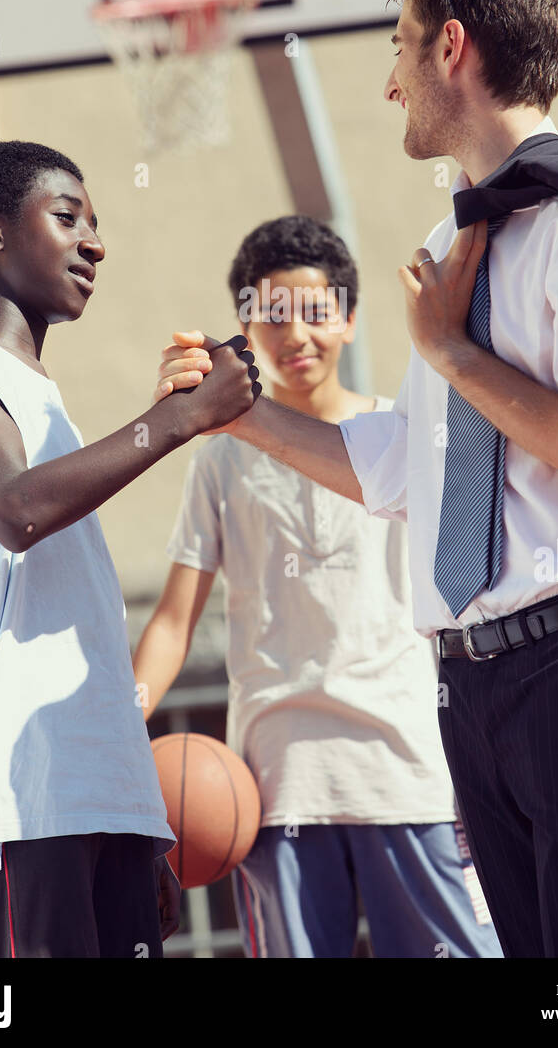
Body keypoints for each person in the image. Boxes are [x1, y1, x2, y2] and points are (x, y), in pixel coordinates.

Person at [154, 0, 558, 958]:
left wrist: (448, 350)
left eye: (398, 47)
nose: (388, 83)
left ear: (451, 47)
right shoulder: (451, 241)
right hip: (473, 680)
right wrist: (233, 409)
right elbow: (406, 465)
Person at [0, 140, 260, 958]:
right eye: (68, 218)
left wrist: (133, 807)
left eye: (97, 224)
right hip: (23, 801)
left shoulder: (45, 401)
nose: (95, 242)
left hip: (97, 797)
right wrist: (178, 420)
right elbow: (16, 511)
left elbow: (80, 636)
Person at [134, 215, 502, 959]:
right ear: (245, 325)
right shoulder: (221, 457)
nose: (294, 334)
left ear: (350, 319)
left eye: (314, 312)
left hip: (407, 766)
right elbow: (174, 621)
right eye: (271, 315)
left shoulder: (396, 434)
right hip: (277, 784)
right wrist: (120, 721)